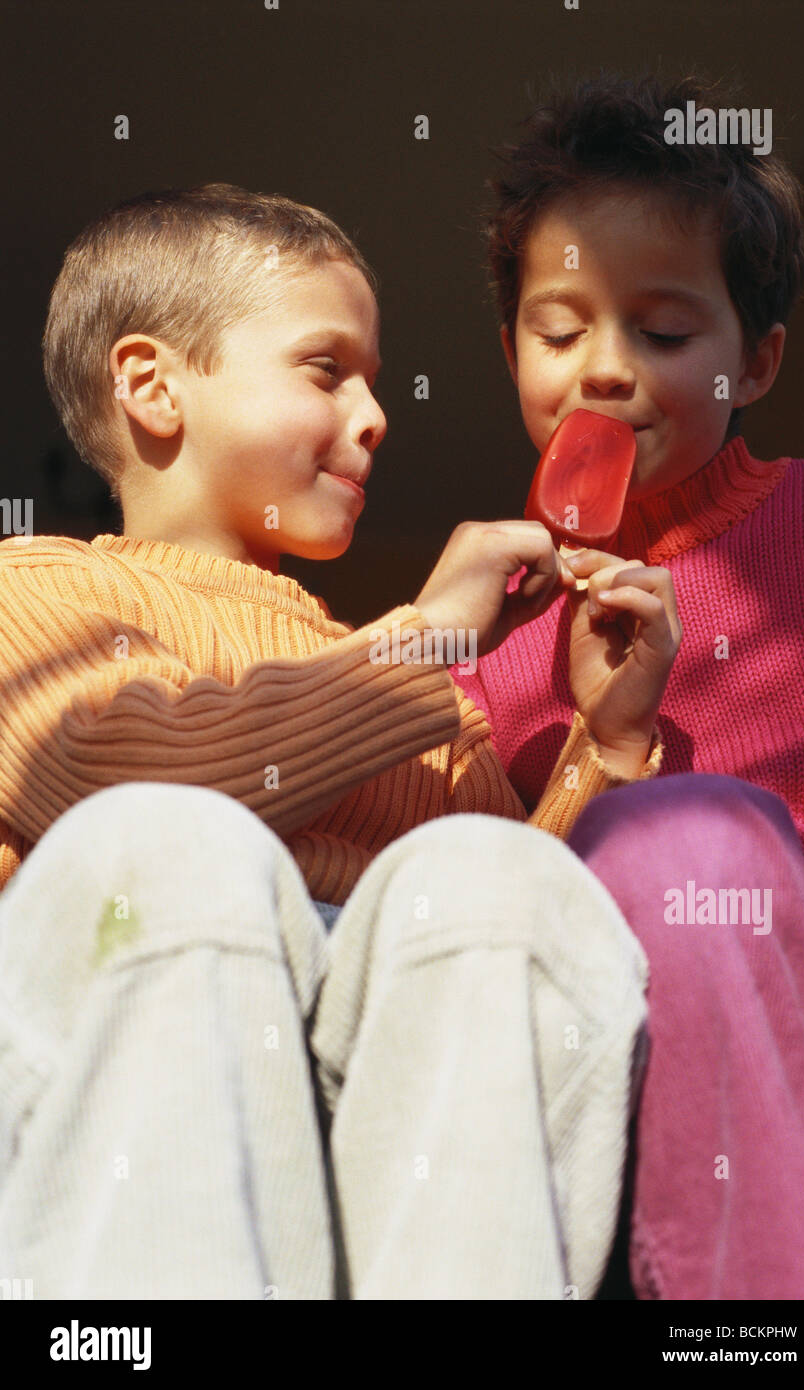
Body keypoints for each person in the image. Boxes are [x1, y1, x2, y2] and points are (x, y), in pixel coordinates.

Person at [0, 182, 682, 1300]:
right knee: (173, 846)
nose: (375, 415)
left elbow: (524, 966)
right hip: (164, 1084)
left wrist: (604, 743)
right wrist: (420, 644)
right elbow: (124, 776)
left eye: (371, 379)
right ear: (150, 384)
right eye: (326, 371)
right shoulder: (36, 589)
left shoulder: (426, 702)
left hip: (385, 1114)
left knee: (488, 873)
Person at [450, 72, 804, 1294]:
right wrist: (589, 747)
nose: (603, 373)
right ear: (507, 348)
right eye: (559, 331)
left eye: (664, 335)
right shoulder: (475, 626)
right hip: (595, 1084)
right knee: (670, 836)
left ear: (759, 361)